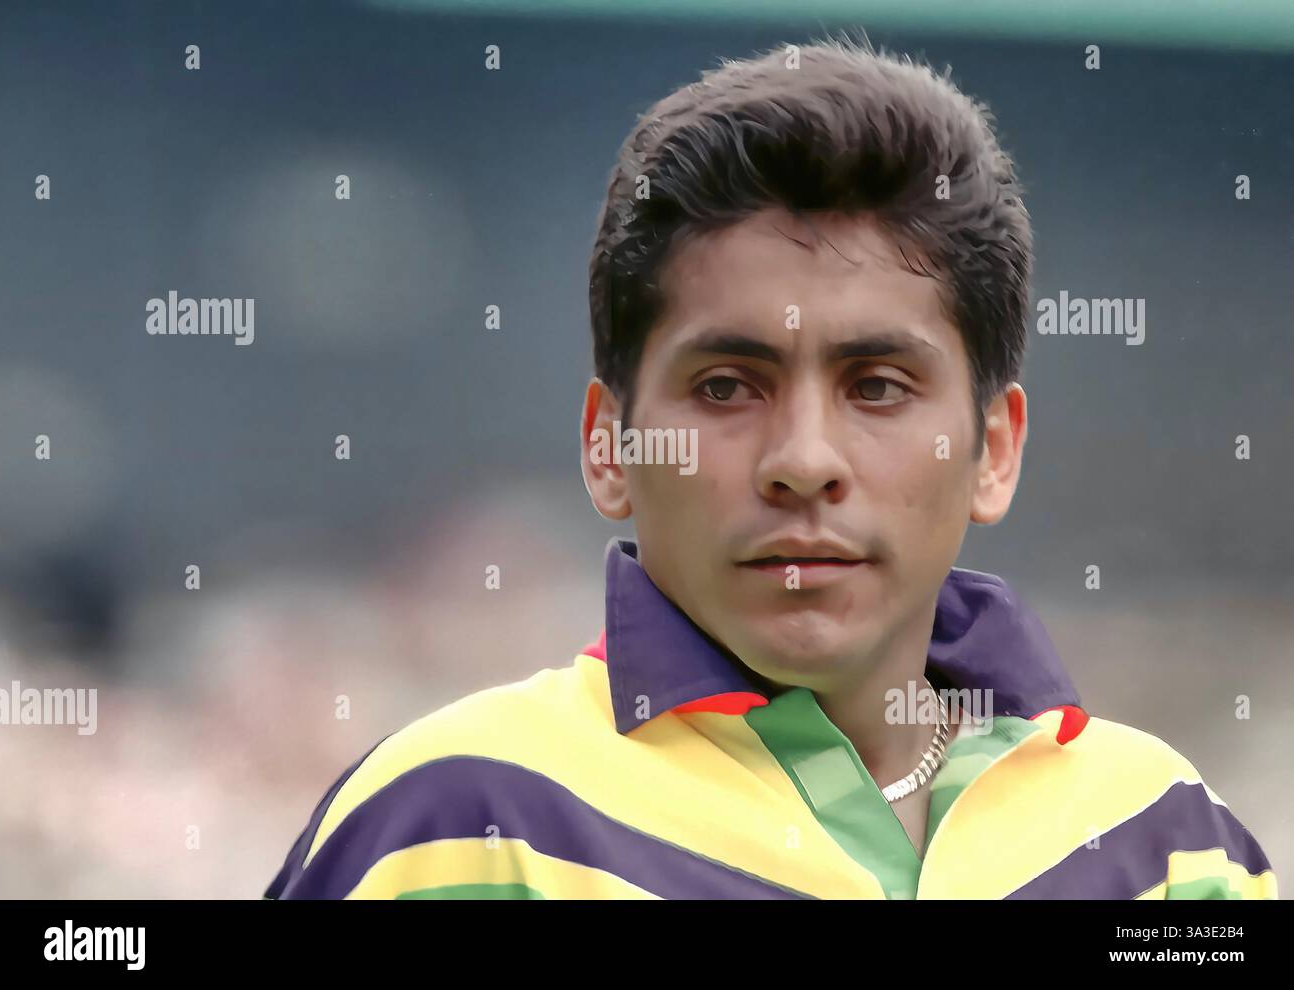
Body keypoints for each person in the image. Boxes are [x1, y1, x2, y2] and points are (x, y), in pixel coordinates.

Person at [266, 36, 1277, 900]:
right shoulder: (458, 829)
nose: (802, 462)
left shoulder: (1167, 846)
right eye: (725, 388)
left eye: (878, 386)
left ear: (993, 451)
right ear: (609, 446)